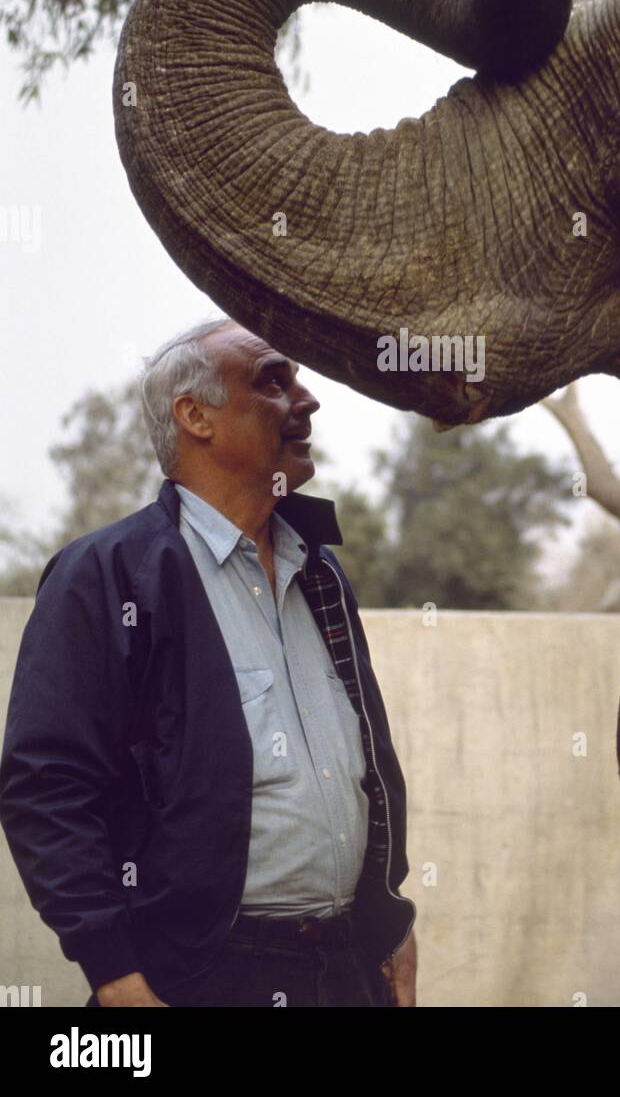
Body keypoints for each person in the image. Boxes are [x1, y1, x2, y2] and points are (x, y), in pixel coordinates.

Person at [0, 316, 417, 1007]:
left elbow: (367, 764)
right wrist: (115, 974)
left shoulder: (320, 575)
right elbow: (46, 787)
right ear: (194, 416)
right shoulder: (108, 575)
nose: (306, 401)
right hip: (200, 981)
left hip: (346, 972)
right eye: (273, 382)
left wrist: (390, 920)